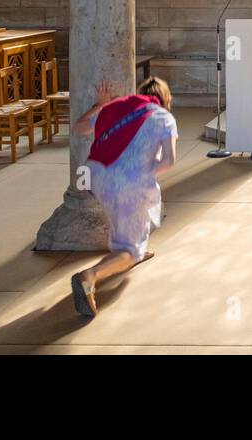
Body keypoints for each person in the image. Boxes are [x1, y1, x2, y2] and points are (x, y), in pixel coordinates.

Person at [69, 76, 178, 317]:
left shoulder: (117, 108)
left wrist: (101, 104)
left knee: (129, 213)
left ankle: (136, 243)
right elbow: (169, 161)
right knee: (129, 251)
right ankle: (90, 276)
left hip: (93, 176)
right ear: (165, 99)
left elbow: (79, 127)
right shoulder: (164, 118)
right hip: (127, 185)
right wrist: (142, 174)